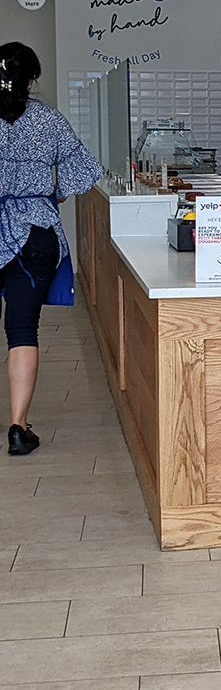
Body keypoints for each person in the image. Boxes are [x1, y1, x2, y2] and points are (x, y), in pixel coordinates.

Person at [0, 43, 102, 455]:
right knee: (22, 327)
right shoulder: (47, 121)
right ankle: (18, 427)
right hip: (34, 232)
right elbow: (86, 169)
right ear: (31, 80)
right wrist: (51, 192)